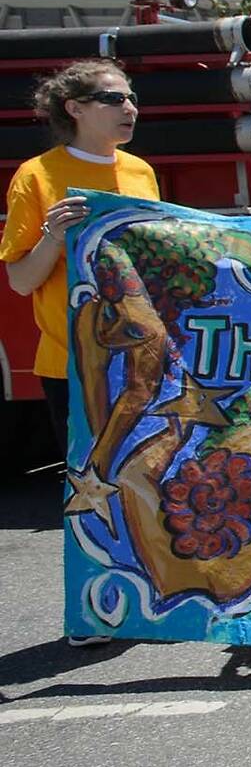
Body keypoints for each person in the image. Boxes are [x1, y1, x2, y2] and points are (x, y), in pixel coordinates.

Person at [1, 61, 158, 472]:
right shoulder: (36, 176)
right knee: (91, 483)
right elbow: (20, 282)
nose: (130, 108)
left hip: (140, 359)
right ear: (75, 109)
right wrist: (53, 235)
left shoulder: (141, 172)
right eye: (114, 99)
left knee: (143, 485)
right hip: (70, 362)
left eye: (132, 99)